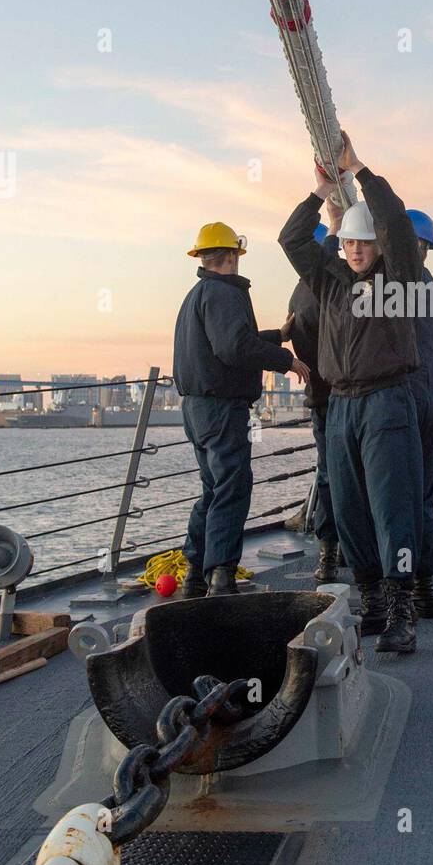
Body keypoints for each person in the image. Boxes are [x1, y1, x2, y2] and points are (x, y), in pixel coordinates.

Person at [279, 132, 424, 653]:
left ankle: (403, 609)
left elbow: (399, 227)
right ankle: (374, 604)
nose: (357, 249)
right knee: (349, 508)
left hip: (386, 402)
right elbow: (291, 240)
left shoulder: (400, 278)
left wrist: (359, 170)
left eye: (365, 242)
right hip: (339, 404)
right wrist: (319, 193)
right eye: (350, 242)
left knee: (392, 507)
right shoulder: (331, 280)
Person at [173, 221, 310, 596]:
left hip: (196, 410)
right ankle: (221, 575)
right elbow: (233, 348)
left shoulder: (198, 294)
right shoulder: (224, 293)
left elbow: (230, 339)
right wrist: (285, 359)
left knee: (214, 490)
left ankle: (196, 574)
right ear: (233, 256)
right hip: (221, 409)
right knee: (233, 487)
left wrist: (275, 336)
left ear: (202, 256)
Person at [286, 223, 342, 584]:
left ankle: (328, 553)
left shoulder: (297, 293)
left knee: (327, 475)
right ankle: (350, 549)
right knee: (354, 476)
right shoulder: (329, 286)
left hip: (319, 397)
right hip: (343, 396)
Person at [404, 209, 433, 617]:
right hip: (429, 399)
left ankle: (400, 589)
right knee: (423, 496)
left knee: (395, 499)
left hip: (404, 402)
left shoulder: (401, 285)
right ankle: (425, 588)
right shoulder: (430, 286)